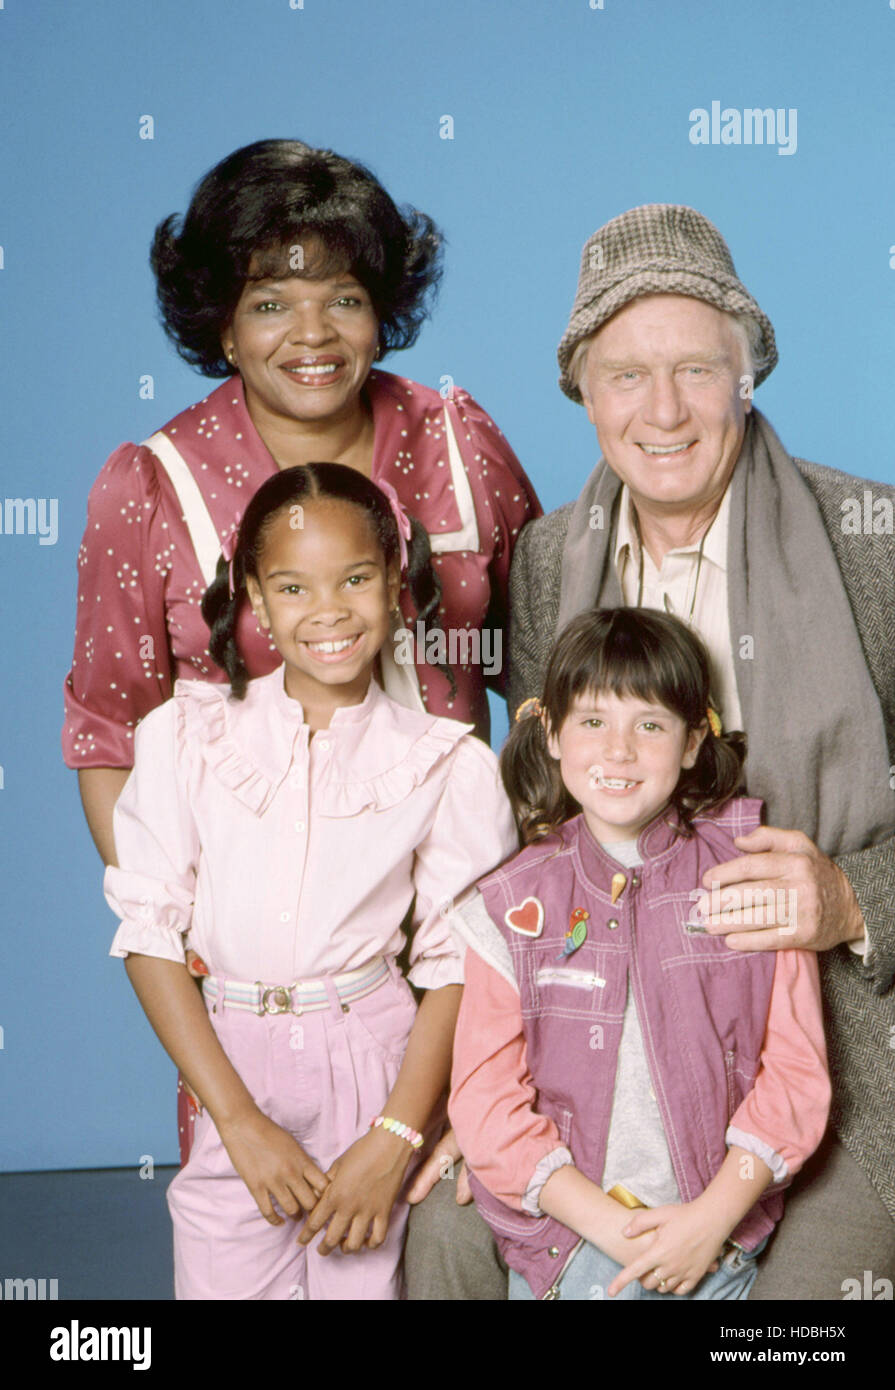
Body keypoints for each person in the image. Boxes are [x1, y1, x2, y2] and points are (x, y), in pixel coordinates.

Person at [63, 137, 539, 1169]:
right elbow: (107, 738)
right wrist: (198, 932)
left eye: (344, 296)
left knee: (459, 1229)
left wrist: (540, 909)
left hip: (463, 942)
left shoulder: (458, 445)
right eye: (272, 301)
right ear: (221, 326)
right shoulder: (148, 491)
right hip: (272, 976)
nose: (312, 332)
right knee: (274, 1224)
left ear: (384, 309)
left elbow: (547, 683)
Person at [501, 204, 895, 1299]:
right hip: (603, 1028)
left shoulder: (876, 545)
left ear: (748, 376)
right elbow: (539, 830)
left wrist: (851, 900)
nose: (662, 411)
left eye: (694, 370)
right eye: (624, 375)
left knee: (795, 1309)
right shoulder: (546, 563)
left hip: (849, 1037)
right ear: (583, 392)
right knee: (448, 1239)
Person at [103, 462, 518, 1299]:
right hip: (231, 1058)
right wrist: (238, 1121)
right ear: (252, 592)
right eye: (292, 586)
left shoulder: (445, 763)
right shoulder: (184, 737)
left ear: (395, 581)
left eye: (356, 579)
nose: (327, 612)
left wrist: (396, 1135)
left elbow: (456, 965)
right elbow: (149, 932)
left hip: (372, 1058)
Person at [449, 608, 830, 1300]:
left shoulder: (753, 872)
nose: (617, 751)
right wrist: (611, 1232)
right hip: (569, 1249)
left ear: (691, 743)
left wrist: (707, 1224)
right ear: (554, 735)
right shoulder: (510, 905)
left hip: (717, 1243)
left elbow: (795, 1079)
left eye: (648, 724)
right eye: (592, 720)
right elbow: (484, 1104)